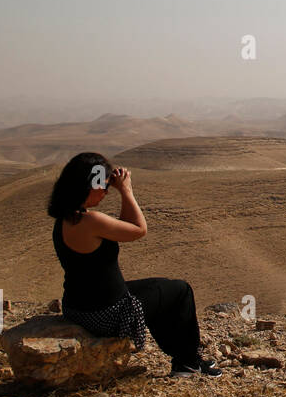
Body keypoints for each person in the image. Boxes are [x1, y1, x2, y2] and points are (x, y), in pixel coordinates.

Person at [46, 151, 221, 377]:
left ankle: (186, 359)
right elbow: (139, 229)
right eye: (102, 185)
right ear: (87, 184)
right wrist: (126, 190)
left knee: (159, 291)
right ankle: (187, 362)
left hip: (77, 308)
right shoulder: (91, 221)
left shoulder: (67, 218)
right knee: (180, 291)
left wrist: (117, 189)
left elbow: (124, 226)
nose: (106, 191)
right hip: (107, 314)